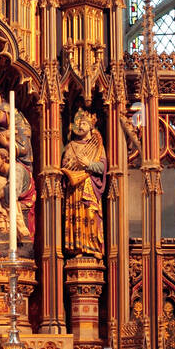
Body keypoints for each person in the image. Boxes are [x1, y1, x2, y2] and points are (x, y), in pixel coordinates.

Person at [62, 107, 107, 257]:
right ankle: (78, 248)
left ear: (91, 127)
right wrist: (69, 165)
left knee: (90, 215)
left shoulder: (97, 146)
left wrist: (88, 164)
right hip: (74, 187)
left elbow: (102, 168)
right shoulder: (71, 146)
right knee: (76, 217)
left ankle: (93, 247)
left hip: (89, 185)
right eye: (79, 123)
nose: (81, 126)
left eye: (84, 124)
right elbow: (64, 165)